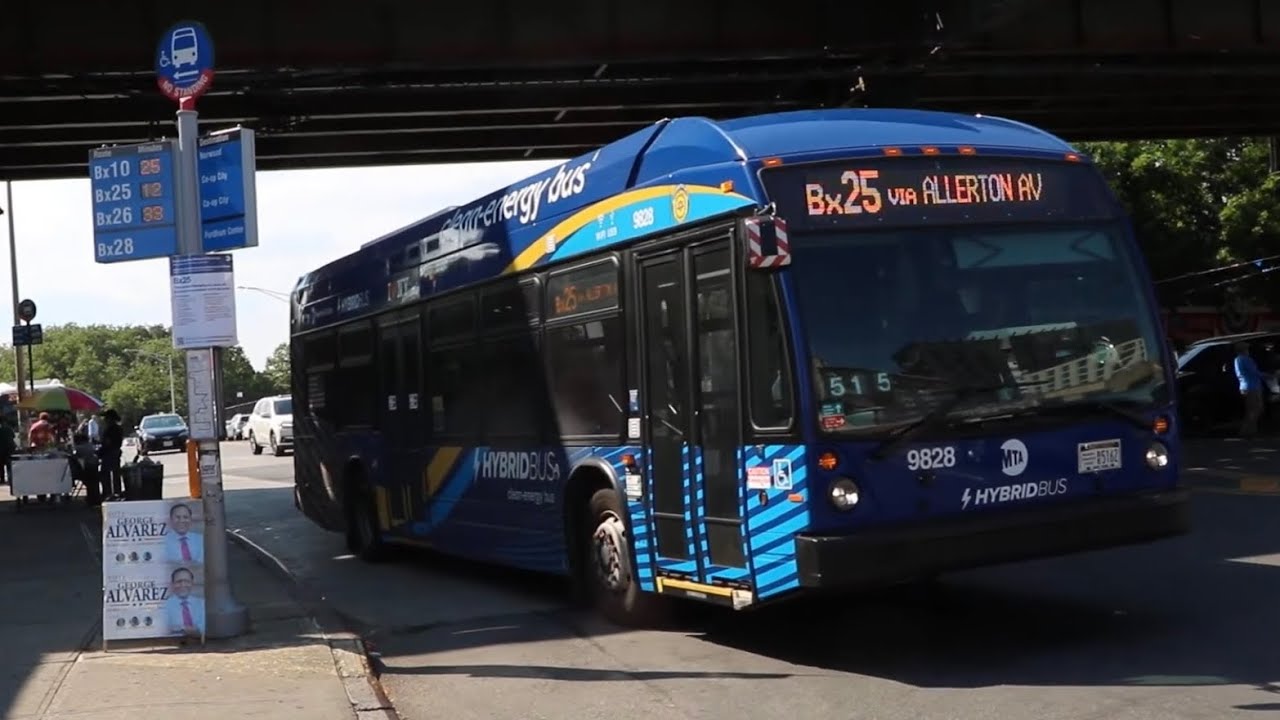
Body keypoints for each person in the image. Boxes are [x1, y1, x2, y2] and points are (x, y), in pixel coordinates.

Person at [1233, 341, 1265, 437]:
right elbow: (1254, 372)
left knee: (1251, 409)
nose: (1248, 350)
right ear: (1243, 350)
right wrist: (1268, 375)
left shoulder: (1237, 359)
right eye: (1247, 349)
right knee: (1256, 409)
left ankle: (1251, 430)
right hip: (1252, 386)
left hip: (1244, 386)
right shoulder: (1246, 359)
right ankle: (1246, 431)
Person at [163, 566, 205, 636]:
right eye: (179, 582)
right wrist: (194, 629)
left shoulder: (202, 604)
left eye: (187, 581)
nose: (183, 585)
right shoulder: (164, 606)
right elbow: (164, 630)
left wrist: (179, 628)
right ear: (172, 584)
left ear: (192, 583)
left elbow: (204, 629)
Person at [99, 409, 125, 499]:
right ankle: (117, 491)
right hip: (116, 451)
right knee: (115, 473)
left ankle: (108, 493)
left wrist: (100, 452)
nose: (104, 420)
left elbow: (107, 443)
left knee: (105, 474)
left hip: (109, 453)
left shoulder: (110, 429)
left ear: (110, 418)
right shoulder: (118, 428)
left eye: (106, 418)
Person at [71, 431, 101, 506]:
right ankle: (95, 499)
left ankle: (91, 499)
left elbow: (75, 457)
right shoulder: (90, 446)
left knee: (89, 482)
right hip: (94, 467)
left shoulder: (79, 448)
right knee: (93, 484)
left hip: (87, 469)